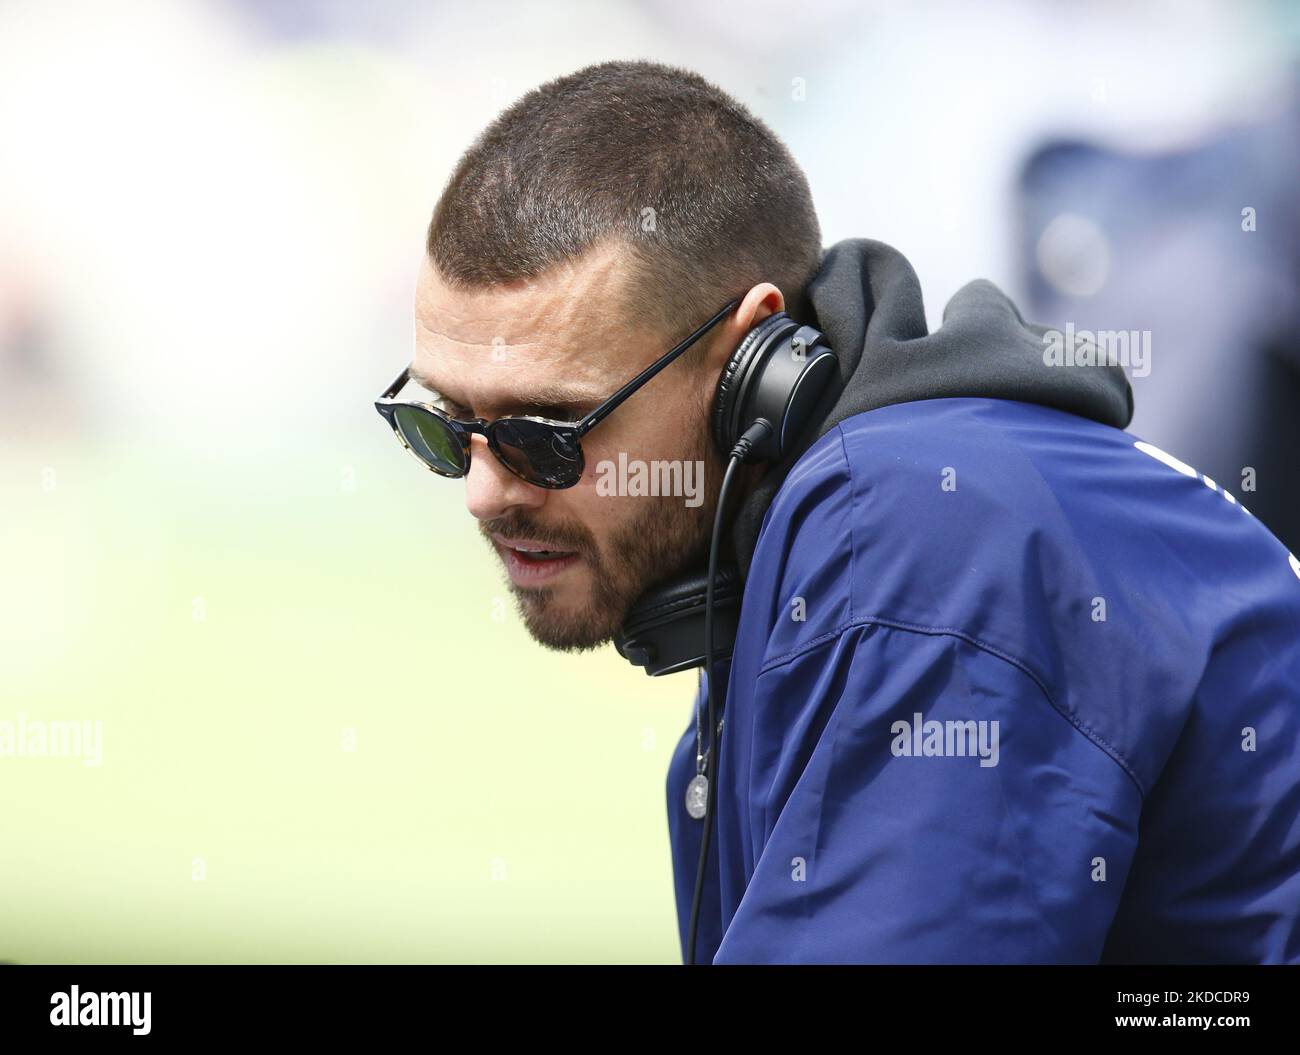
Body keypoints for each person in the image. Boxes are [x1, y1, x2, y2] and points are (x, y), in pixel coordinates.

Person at [374, 60, 1300, 963]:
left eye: (549, 431)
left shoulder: (922, 536)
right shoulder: (813, 535)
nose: (485, 489)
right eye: (444, 424)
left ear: (746, 363)